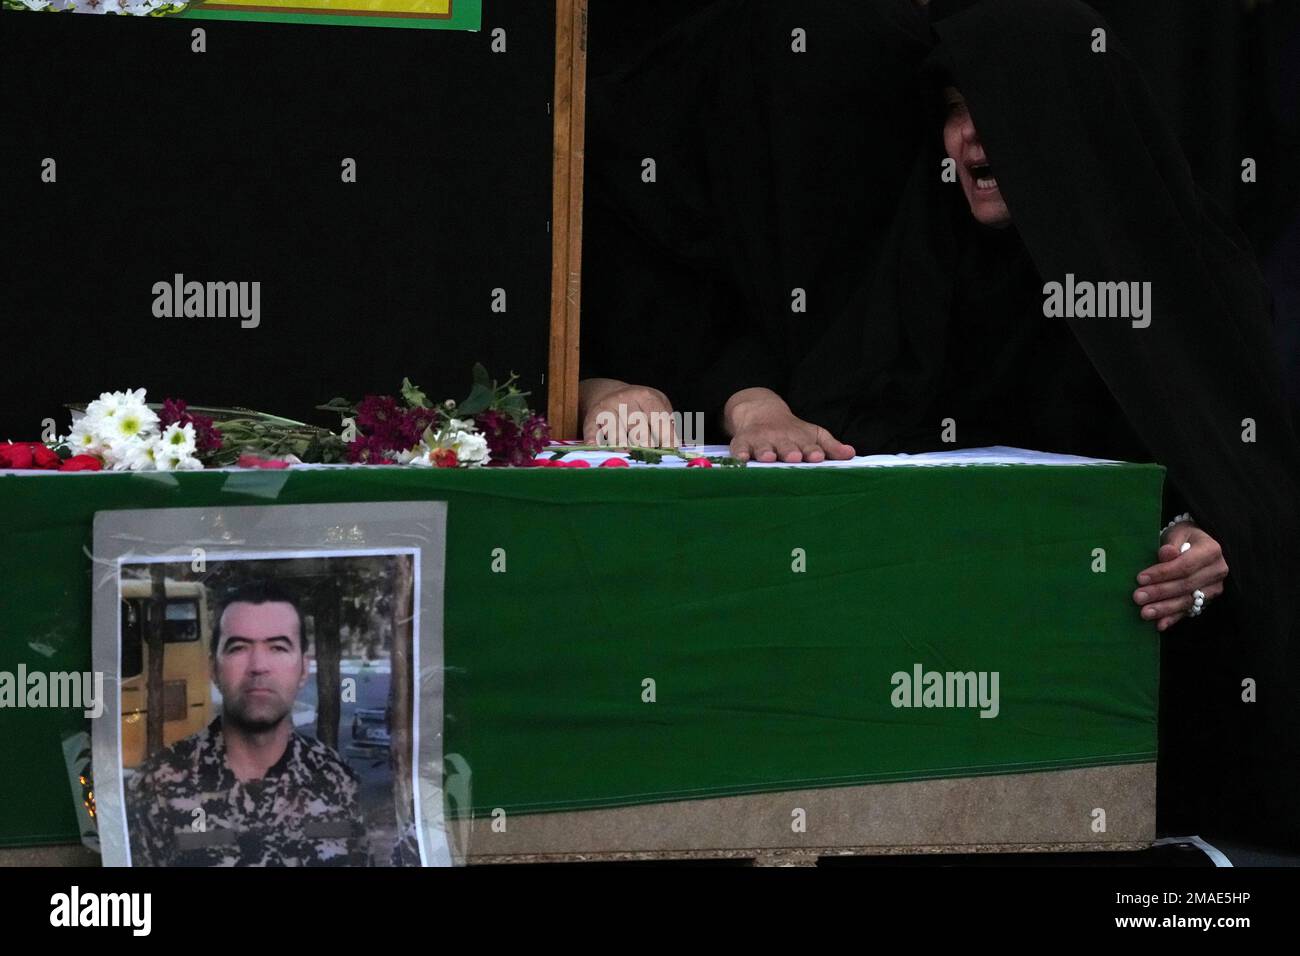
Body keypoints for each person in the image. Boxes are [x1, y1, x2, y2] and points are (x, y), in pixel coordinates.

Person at [784, 0, 1300, 846]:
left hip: (1147, 737)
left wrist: (1207, 545)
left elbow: (1257, 492)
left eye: (993, 106)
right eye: (954, 110)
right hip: (936, 727)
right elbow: (842, 438)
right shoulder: (922, 266)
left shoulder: (1186, 273)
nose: (968, 139)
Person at [126, 581, 371, 866]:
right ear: (213, 668)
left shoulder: (337, 780)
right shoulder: (157, 786)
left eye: (278, 647)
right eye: (239, 648)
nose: (258, 666)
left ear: (303, 669)